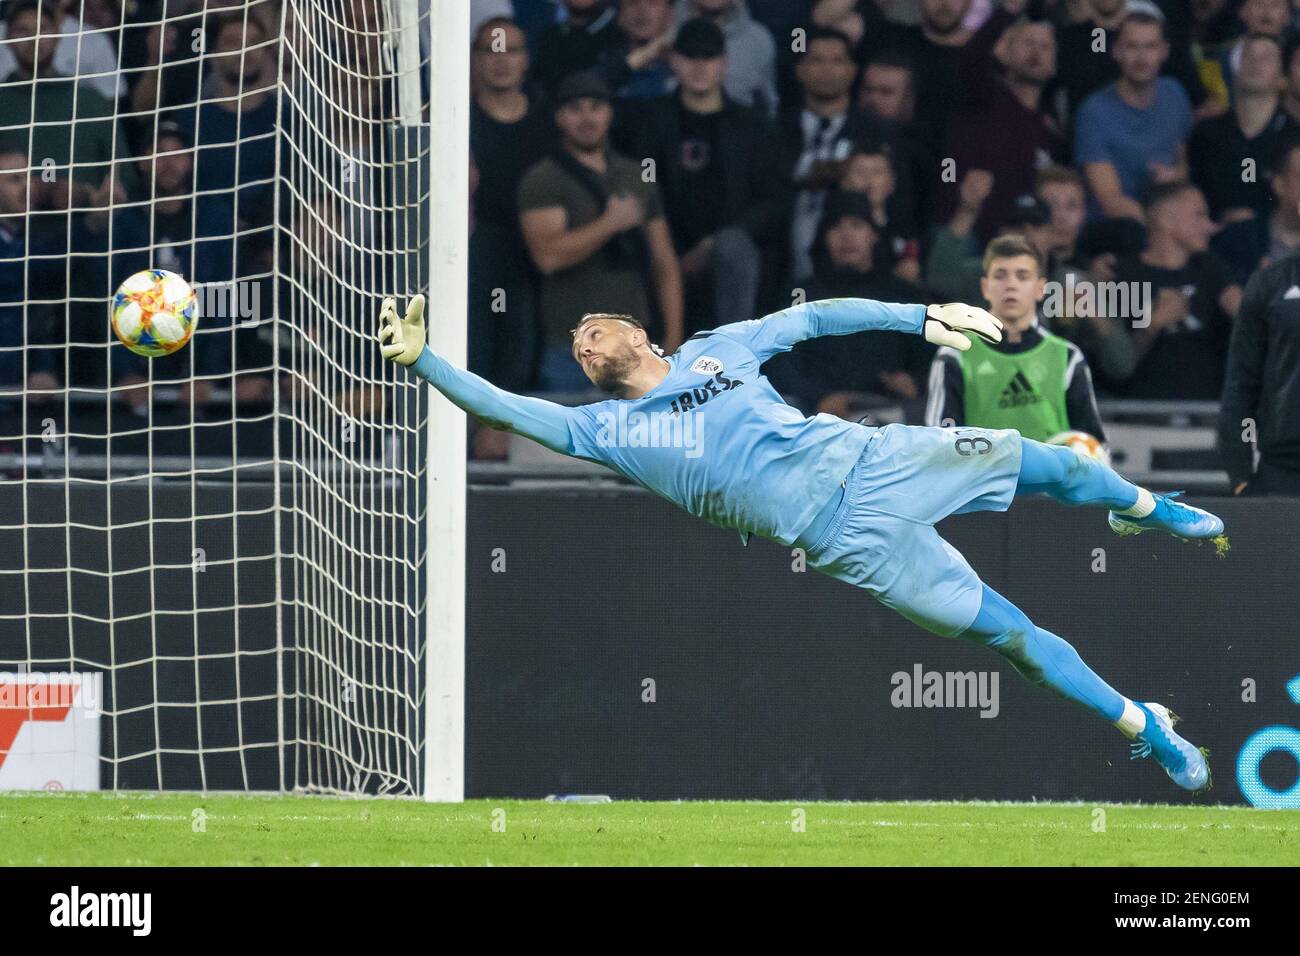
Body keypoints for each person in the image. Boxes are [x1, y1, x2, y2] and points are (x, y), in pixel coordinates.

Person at [379, 292, 1224, 794]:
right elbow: (500, 408)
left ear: (640, 335)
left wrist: (919, 315)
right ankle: (1145, 725)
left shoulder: (720, 350)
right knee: (1012, 640)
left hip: (873, 460)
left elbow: (815, 317)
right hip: (846, 543)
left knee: (1048, 465)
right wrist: (426, 362)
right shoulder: (600, 428)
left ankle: (1149, 507)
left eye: (594, 331)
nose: (581, 343)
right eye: (574, 344)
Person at [517, 71, 684, 391]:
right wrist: (611, 222)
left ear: (610, 113)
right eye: (575, 108)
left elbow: (665, 262)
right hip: (571, 347)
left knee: (640, 440)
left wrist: (674, 340)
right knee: (568, 441)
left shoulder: (636, 175)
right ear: (559, 117)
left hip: (635, 344)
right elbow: (548, 257)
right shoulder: (543, 178)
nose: (587, 117)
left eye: (596, 107)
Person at [924, 234, 1106, 443]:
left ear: (1040, 289)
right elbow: (939, 444)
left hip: (1051, 477)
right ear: (985, 287)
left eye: (1022, 276)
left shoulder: (1067, 356)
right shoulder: (955, 353)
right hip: (985, 476)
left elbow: (1093, 445)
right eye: (1000, 275)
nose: (1011, 285)